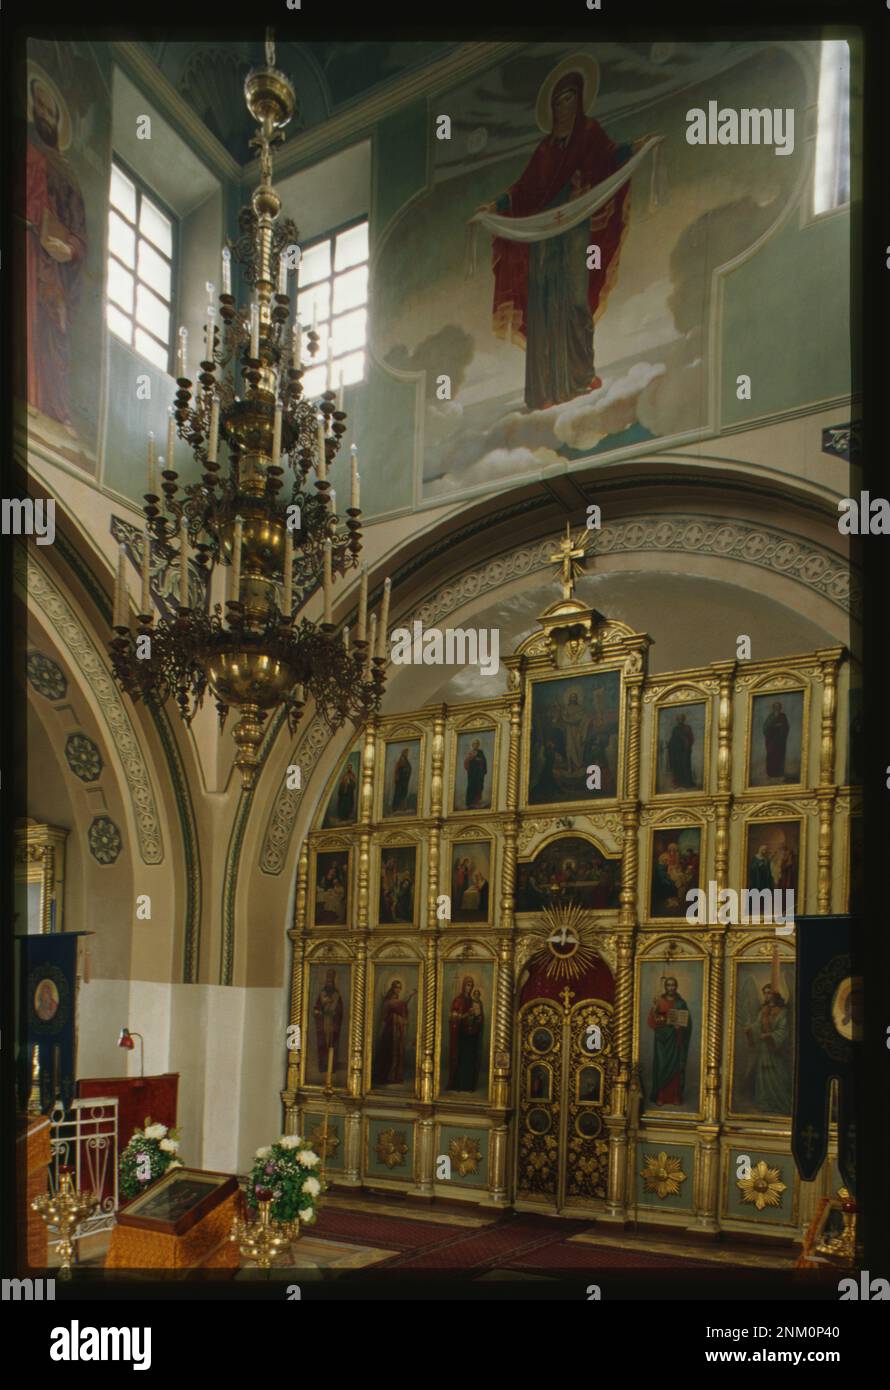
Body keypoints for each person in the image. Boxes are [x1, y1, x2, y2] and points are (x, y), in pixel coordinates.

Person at [473, 64, 649, 410]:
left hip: (578, 234)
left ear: (579, 101)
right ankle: (543, 389)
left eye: (568, 100)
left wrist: (633, 150)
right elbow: (523, 189)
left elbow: (610, 155)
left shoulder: (589, 133)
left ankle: (580, 376)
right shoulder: (545, 150)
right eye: (557, 104)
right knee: (542, 307)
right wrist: (496, 205)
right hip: (543, 240)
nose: (561, 109)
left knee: (574, 298)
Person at [21, 76, 87, 431]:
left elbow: (80, 235)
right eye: (40, 107)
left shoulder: (69, 176)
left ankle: (54, 410)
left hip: (54, 266)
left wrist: (69, 248)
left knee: (55, 329)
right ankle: (26, 396)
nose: (45, 115)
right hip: (25, 250)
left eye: (51, 110)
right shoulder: (24, 151)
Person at [745, 985, 791, 1114]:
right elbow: (757, 1025)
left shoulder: (782, 1011)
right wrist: (750, 1029)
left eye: (769, 993)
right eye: (764, 993)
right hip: (764, 1050)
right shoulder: (763, 1010)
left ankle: (779, 1103)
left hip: (776, 1050)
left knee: (777, 1076)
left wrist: (769, 1035)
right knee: (764, 1077)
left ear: (775, 994)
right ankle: (764, 1102)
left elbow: (783, 1030)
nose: (766, 995)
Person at [647, 976, 691, 1106]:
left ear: (676, 987)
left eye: (673, 985)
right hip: (662, 1040)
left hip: (675, 1039)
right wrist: (655, 1011)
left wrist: (681, 1027)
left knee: (675, 1068)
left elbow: (687, 1022)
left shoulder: (681, 1003)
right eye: (668, 985)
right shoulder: (658, 1001)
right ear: (665, 987)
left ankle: (675, 1096)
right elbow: (652, 1020)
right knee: (662, 1067)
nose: (671, 988)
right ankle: (661, 1096)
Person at [372, 979, 417, 1086]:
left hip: (396, 1030)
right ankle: (386, 1076)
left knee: (396, 1052)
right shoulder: (389, 1000)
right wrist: (409, 996)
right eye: (396, 987)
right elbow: (399, 1005)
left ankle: (394, 1076)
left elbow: (401, 1007)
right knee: (389, 1052)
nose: (398, 990)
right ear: (392, 988)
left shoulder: (395, 999)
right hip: (390, 1030)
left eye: (399, 987)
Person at [447, 976, 484, 1091]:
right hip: (461, 1035)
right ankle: (459, 1085)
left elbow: (478, 1015)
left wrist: (478, 1018)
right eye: (468, 985)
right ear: (464, 985)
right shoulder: (458, 1000)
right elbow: (454, 1018)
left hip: (471, 1034)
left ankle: (468, 1085)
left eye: (471, 985)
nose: (470, 987)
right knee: (462, 1059)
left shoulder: (472, 1000)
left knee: (470, 1060)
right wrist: (467, 1014)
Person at [312, 969, 343, 1074]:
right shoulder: (322, 993)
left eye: (331, 979)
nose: (329, 981)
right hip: (323, 1023)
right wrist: (318, 1012)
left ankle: (332, 1066)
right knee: (322, 1044)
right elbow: (316, 1007)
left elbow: (340, 1010)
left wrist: (335, 1013)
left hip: (333, 1024)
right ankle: (323, 1065)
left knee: (332, 1044)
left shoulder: (337, 995)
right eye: (328, 978)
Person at [762, 701, 790, 779]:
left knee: (779, 756)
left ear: (780, 708)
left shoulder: (783, 716)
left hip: (780, 741)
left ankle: (779, 773)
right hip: (771, 740)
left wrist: (782, 728)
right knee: (771, 756)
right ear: (773, 708)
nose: (777, 708)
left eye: (778, 707)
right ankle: (770, 773)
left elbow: (786, 726)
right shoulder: (770, 717)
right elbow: (765, 728)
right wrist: (775, 726)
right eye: (775, 707)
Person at [667, 711, 695, 788]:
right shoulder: (675, 729)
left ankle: (687, 783)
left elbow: (691, 738)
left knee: (685, 766)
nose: (680, 720)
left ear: (683, 719)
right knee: (677, 767)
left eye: (681, 719)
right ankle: (678, 783)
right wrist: (669, 745)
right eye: (678, 719)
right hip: (677, 752)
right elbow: (673, 739)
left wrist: (687, 744)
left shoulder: (687, 728)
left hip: (685, 752)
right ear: (677, 720)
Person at [463, 738, 488, 809]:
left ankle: (477, 801)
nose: (475, 745)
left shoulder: (480, 752)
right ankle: (470, 802)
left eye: (476, 744)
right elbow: (466, 762)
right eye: (474, 744)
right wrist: (471, 759)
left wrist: (479, 761)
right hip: (472, 773)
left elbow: (484, 761)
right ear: (472, 745)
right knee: (471, 786)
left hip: (479, 773)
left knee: (479, 786)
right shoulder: (470, 753)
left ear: (478, 745)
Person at [391, 748, 412, 813]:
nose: (407, 754)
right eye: (406, 753)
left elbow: (409, 768)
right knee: (399, 794)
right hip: (400, 782)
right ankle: (396, 807)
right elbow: (397, 770)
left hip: (405, 781)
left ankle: (402, 807)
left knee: (404, 793)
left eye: (407, 753)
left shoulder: (406, 760)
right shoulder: (401, 760)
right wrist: (397, 777)